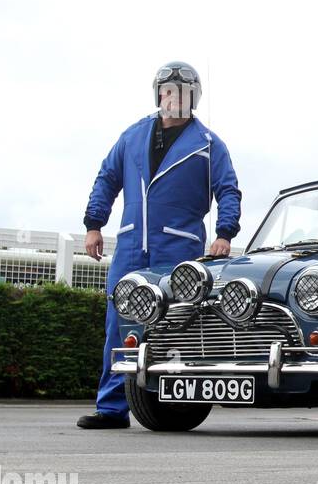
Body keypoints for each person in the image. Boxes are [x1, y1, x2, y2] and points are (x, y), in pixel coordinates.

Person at [77, 62, 242, 428]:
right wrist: (94, 224)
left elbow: (228, 190)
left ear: (193, 98)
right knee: (118, 323)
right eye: (167, 91)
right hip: (133, 243)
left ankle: (172, 404)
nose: (173, 98)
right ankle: (111, 408)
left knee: (175, 323)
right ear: (158, 94)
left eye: (181, 92)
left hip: (178, 248)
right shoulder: (132, 137)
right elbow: (107, 179)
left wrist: (224, 233)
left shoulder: (208, 145)